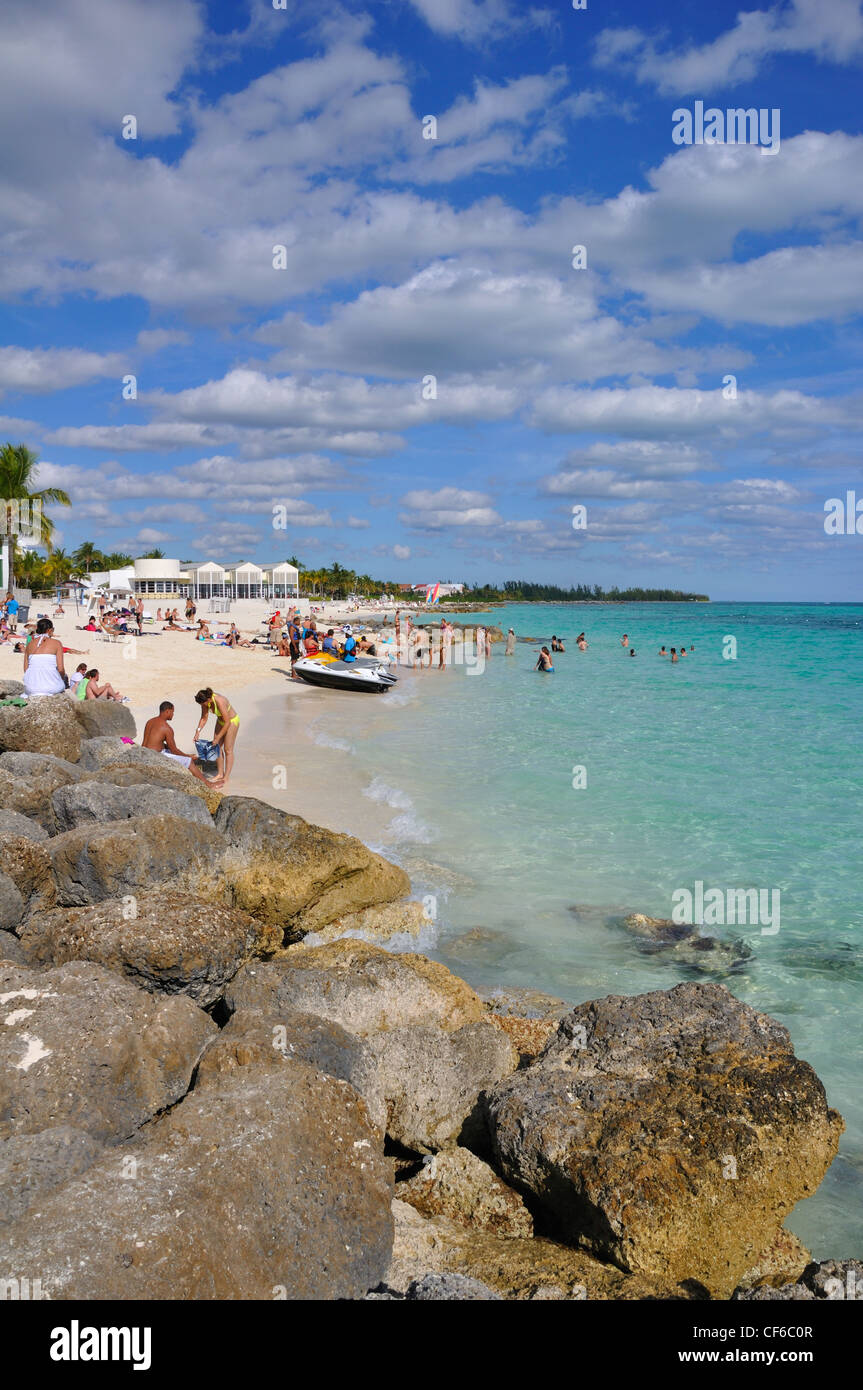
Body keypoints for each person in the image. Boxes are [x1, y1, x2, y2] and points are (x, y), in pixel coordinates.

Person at [142, 701, 221, 785]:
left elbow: (152, 742)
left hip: (144, 752)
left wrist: (180, 752)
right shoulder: (166, 728)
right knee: (189, 761)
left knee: (177, 753)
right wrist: (188, 756)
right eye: (172, 712)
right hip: (156, 755)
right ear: (167, 711)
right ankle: (208, 784)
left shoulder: (150, 721)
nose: (173, 714)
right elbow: (174, 751)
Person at [194, 687, 240, 786]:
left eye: (203, 704)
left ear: (208, 700)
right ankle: (220, 773)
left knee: (228, 750)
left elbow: (227, 722)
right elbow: (204, 717)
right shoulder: (204, 701)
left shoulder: (220, 701)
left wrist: (218, 737)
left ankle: (226, 777)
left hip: (231, 722)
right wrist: (197, 731)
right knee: (216, 747)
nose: (203, 706)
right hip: (221, 721)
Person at [22, 617, 67, 697]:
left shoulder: (30, 644)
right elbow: (61, 669)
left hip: (31, 688)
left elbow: (26, 669)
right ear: (49, 630)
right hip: (51, 688)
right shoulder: (57, 643)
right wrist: (61, 679)